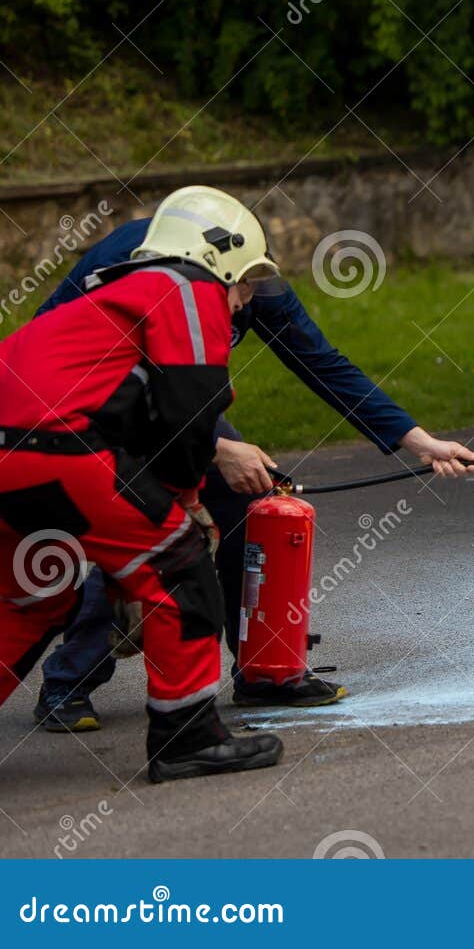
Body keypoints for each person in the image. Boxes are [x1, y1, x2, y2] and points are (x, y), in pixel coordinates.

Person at [30, 187, 474, 733]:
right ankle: (69, 683)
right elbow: (106, 389)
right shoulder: (132, 268)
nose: (246, 300)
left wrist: (419, 441)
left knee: (251, 498)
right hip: (74, 410)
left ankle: (264, 670)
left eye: (252, 286)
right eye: (240, 289)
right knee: (144, 519)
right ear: (207, 265)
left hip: (173, 399)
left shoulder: (251, 282)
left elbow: (320, 363)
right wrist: (215, 448)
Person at [0, 186, 284, 782]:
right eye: (247, 282)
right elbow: (191, 407)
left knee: (33, 592)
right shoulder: (187, 287)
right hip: (53, 450)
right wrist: (185, 507)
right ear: (219, 258)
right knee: (177, 560)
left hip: (20, 450)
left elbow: (132, 418)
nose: (244, 302)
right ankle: (188, 738)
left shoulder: (110, 291)